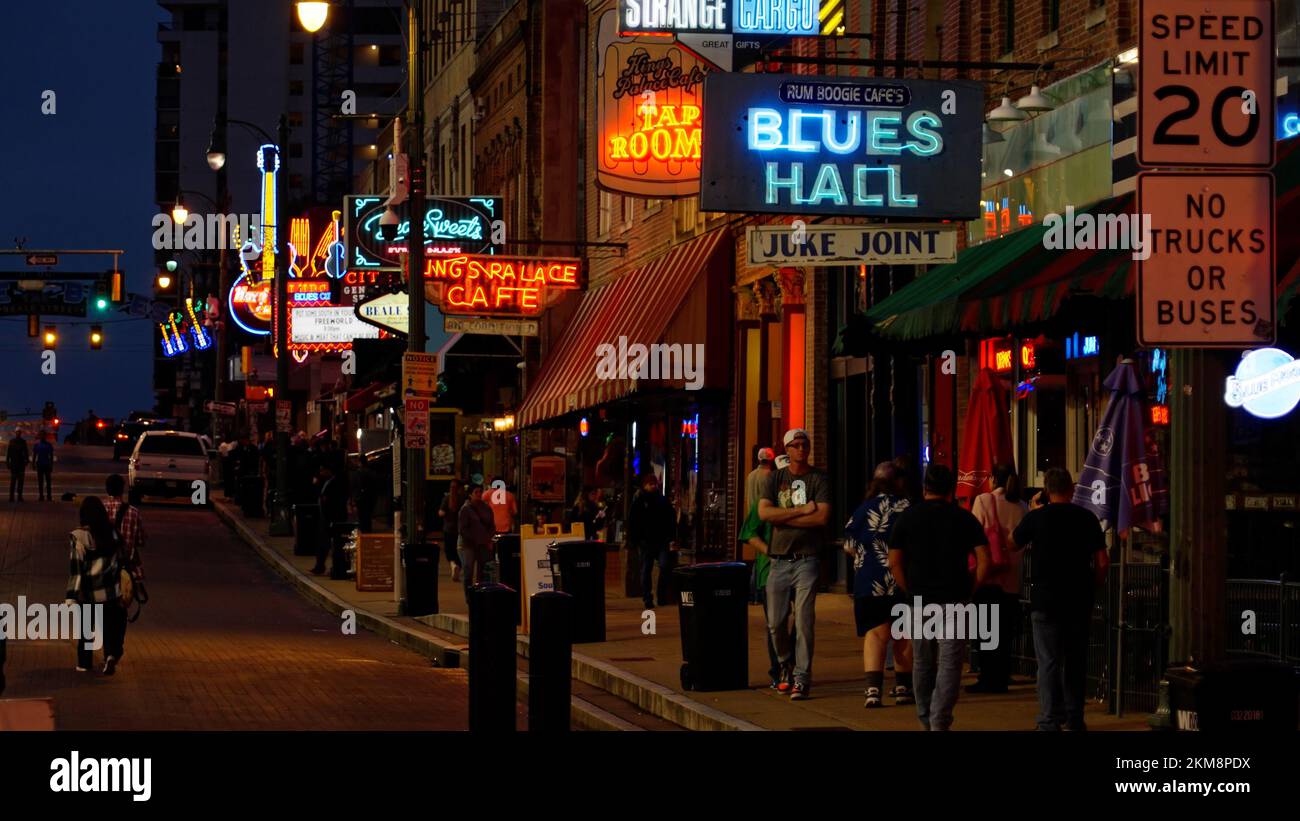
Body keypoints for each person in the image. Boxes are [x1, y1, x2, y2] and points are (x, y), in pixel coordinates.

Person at [888, 463, 989, 731]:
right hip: (955, 597)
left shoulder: (907, 518)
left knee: (922, 661)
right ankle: (939, 719)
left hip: (920, 598)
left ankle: (925, 716)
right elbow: (984, 560)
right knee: (950, 663)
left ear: (924, 488)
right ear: (951, 490)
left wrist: (908, 588)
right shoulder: (965, 518)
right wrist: (972, 587)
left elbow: (894, 561)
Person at [1011, 467, 1109, 731]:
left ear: (1046, 490)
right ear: (1071, 489)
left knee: (1049, 662)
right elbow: (1101, 561)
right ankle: (1074, 717)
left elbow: (1013, 543)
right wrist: (1094, 586)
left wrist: (1033, 512)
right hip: (1078, 599)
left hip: (1045, 599)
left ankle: (1049, 719)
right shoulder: (1087, 518)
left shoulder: (1037, 518)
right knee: (1075, 660)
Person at [758, 428, 831, 700]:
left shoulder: (818, 478)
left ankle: (802, 677)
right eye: (796, 445)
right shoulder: (775, 478)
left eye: (805, 445)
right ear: (786, 450)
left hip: (807, 560)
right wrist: (801, 510)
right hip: (778, 560)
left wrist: (782, 517)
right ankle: (785, 662)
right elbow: (764, 513)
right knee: (775, 623)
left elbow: (821, 517)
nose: (802, 449)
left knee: (804, 621)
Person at [844, 462, 913, 708]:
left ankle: (873, 689)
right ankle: (904, 686)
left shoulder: (863, 509)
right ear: (899, 482)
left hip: (869, 580)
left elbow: (849, 545)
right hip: (901, 580)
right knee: (902, 633)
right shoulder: (907, 508)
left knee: (875, 634)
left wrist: (868, 557)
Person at [968, 462, 1029, 694]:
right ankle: (1002, 677)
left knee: (987, 632)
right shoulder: (1022, 506)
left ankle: (988, 678)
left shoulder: (983, 501)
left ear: (993, 478)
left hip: (989, 576)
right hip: (1013, 578)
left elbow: (974, 534)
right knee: (1004, 633)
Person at [66, 496, 127, 674]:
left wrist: (71, 596)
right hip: (111, 593)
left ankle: (84, 664)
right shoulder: (113, 533)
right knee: (109, 628)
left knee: (86, 630)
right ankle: (109, 656)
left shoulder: (78, 536)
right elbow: (119, 562)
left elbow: (76, 570)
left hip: (88, 593)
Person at [627, 472, 675, 610]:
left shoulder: (662, 500)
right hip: (646, 542)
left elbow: (670, 519)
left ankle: (661, 596)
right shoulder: (640, 501)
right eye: (650, 484)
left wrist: (671, 537)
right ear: (645, 485)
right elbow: (633, 521)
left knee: (665, 566)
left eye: (655, 484)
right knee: (645, 570)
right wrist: (636, 540)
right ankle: (648, 598)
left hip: (662, 541)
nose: (653, 486)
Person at [458, 483, 496, 599]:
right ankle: (469, 595)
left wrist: (487, 537)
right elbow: (462, 529)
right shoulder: (465, 509)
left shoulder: (486, 508)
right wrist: (474, 538)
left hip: (483, 544)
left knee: (483, 571)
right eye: (476, 492)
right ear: (470, 494)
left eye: (480, 491)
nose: (479, 494)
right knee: (468, 570)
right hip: (469, 545)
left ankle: (480, 595)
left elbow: (491, 525)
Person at [312, 460, 349, 576]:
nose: (321, 472)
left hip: (333, 517)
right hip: (325, 517)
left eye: (323, 470)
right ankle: (319, 566)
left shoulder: (337, 482)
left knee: (334, 544)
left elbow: (336, 501)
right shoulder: (326, 482)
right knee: (323, 544)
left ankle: (330, 567)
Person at [434, 479, 464, 582]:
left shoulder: (447, 499)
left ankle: (453, 565)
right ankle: (458, 566)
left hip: (448, 528)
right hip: (460, 529)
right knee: (459, 550)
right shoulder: (462, 499)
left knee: (449, 550)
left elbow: (441, 512)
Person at [744, 447, 775, 515]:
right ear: (772, 460)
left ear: (759, 460)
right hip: (764, 520)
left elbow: (746, 498)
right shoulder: (770, 476)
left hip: (752, 520)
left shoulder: (750, 475)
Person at [6, 430, 28, 502]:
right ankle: (14, 497)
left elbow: (26, 452)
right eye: (17, 432)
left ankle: (18, 496)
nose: (18, 434)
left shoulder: (17, 442)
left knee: (18, 482)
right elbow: (8, 453)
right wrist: (8, 462)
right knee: (15, 481)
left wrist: (26, 461)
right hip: (16, 464)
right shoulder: (16, 442)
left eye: (19, 432)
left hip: (18, 464)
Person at [33, 432, 54, 501]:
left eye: (43, 436)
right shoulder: (38, 445)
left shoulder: (47, 445)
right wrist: (33, 464)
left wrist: (51, 465)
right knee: (41, 482)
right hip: (41, 464)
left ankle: (48, 496)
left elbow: (51, 456)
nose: (42, 437)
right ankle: (42, 496)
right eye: (41, 436)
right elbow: (34, 455)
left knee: (47, 482)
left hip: (46, 464)